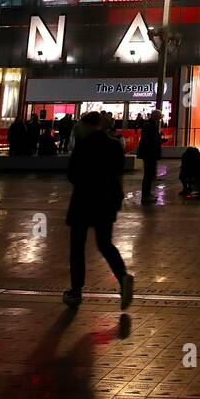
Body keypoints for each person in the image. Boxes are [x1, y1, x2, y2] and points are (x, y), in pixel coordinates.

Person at [62, 112, 134, 310]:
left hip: (83, 200)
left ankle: (76, 290)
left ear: (86, 125)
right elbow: (120, 173)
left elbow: (72, 175)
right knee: (104, 243)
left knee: (77, 245)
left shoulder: (83, 145)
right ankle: (122, 276)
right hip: (107, 201)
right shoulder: (114, 145)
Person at [136, 110, 162, 204]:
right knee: (148, 174)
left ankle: (147, 194)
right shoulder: (150, 126)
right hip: (149, 153)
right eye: (159, 117)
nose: (160, 119)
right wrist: (159, 140)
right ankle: (145, 195)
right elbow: (151, 140)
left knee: (149, 174)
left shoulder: (149, 125)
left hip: (148, 152)